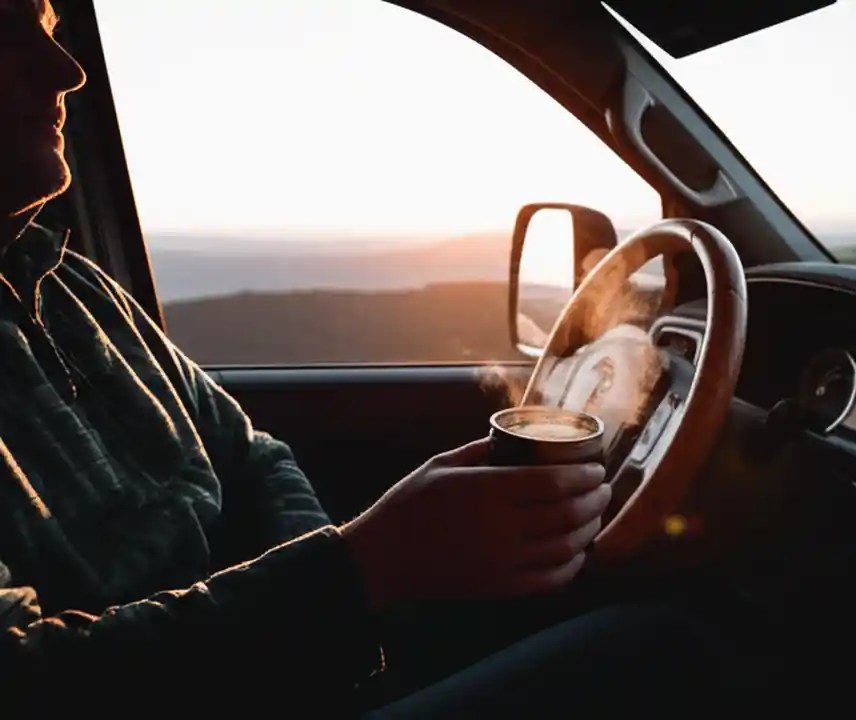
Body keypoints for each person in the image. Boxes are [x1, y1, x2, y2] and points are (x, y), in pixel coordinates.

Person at [0, 1, 731, 715]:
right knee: (666, 649)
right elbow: (29, 681)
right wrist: (358, 572)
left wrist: (342, 611)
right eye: (9, 32)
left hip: (292, 657)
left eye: (53, 31)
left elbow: (251, 454)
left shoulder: (74, 287)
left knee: (611, 598)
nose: (67, 73)